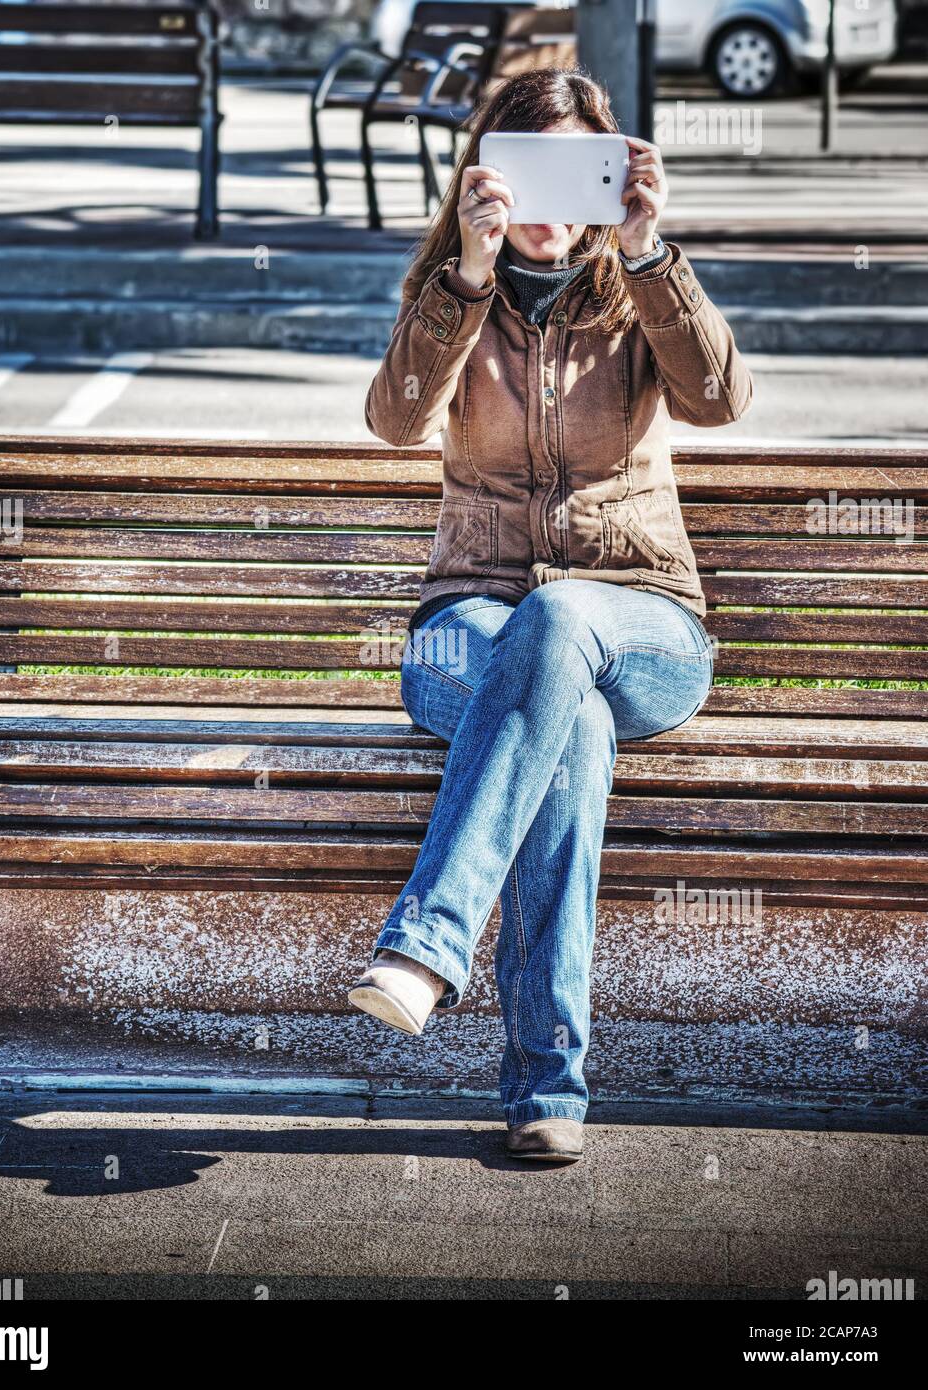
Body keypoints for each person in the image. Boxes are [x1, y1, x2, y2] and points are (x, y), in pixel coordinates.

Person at [348, 67, 753, 1163]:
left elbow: (719, 399)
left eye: (571, 177)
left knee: (566, 619)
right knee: (560, 716)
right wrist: (465, 278)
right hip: (465, 631)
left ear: (607, 176)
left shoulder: (631, 287)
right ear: (483, 172)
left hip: (646, 631)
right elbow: (392, 420)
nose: (544, 206)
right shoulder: (451, 287)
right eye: (523, 175)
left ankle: (427, 946)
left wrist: (650, 255)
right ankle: (546, 1089)